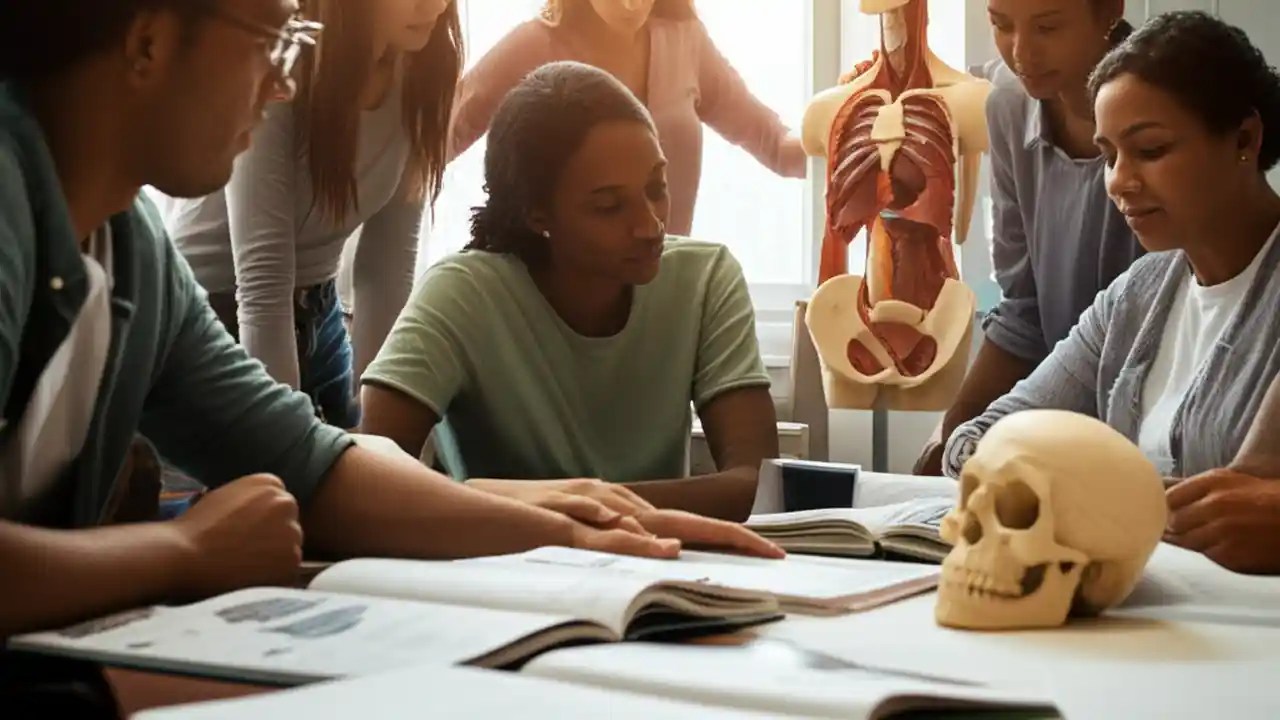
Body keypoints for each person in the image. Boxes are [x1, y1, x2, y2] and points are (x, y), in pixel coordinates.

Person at [0, 0, 784, 662]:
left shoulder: (134, 250)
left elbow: (313, 464)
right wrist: (181, 552)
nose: (280, 86)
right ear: (148, 41)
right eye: (272, 41)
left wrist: (562, 526)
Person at [361, 61, 778, 523]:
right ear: (537, 214)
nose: (650, 225)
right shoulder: (462, 293)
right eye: (608, 206)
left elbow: (756, 484)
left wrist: (556, 504)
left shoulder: (706, 279)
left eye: (657, 187)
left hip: (657, 568)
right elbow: (373, 471)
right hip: (506, 578)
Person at [943, 11, 1280, 574]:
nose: (1120, 180)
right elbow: (978, 440)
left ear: (1243, 138)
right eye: (1109, 155)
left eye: (1150, 151)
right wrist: (1092, 489)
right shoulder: (1135, 298)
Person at [165, 0, 462, 429]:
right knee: (283, 482)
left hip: (318, 316)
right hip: (216, 317)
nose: (435, 5)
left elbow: (386, 268)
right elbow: (262, 279)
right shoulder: (286, 61)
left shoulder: (424, 68)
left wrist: (375, 427)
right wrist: (289, 449)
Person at [915, 0, 1144, 474]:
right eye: (1000, 25)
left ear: (1109, 13)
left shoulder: (1164, 102)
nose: (1022, 53)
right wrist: (948, 434)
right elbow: (1025, 312)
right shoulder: (1007, 103)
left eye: (1048, 27)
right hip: (1054, 407)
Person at [447, 0, 806, 237]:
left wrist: (846, 125)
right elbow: (441, 133)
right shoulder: (536, 45)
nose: (631, 3)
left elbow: (776, 145)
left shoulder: (684, 42)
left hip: (662, 293)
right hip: (555, 304)